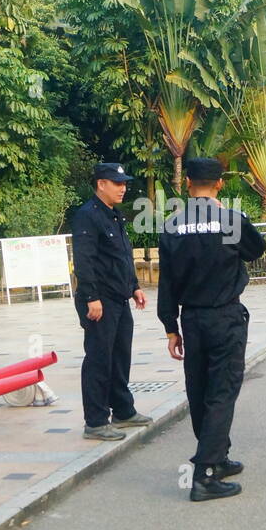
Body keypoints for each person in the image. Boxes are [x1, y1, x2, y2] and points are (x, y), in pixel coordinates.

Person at [157, 157, 266, 500]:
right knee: (222, 391)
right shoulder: (231, 220)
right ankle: (205, 475)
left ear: (187, 182)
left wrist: (170, 328)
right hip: (225, 318)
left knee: (201, 390)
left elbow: (167, 284)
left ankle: (216, 456)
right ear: (220, 184)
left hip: (192, 319)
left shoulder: (172, 225)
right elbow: (257, 250)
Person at [72, 162, 151, 442]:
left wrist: (134, 286)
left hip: (119, 296)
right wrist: (91, 297)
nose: (123, 188)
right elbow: (84, 260)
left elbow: (122, 255)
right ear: (100, 184)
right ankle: (95, 421)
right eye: (117, 183)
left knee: (120, 355)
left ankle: (123, 410)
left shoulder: (114, 215)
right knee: (99, 358)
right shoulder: (87, 216)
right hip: (99, 299)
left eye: (124, 183)